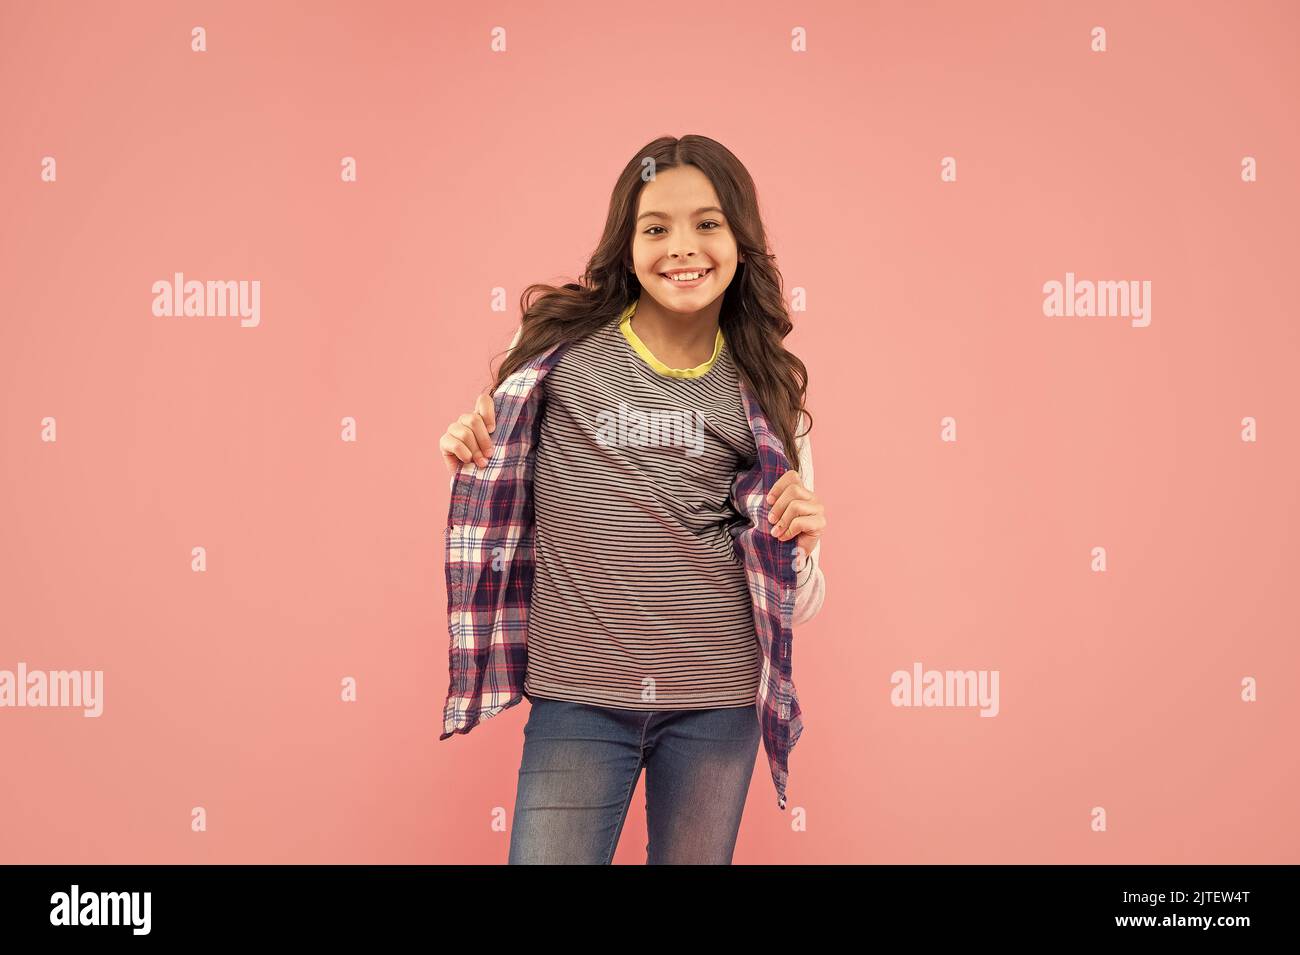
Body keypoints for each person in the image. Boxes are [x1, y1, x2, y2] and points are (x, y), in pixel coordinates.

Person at [438, 134, 828, 864]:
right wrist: (470, 449)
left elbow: (798, 603)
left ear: (740, 240)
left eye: (708, 223)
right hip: (578, 696)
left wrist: (802, 548)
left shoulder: (768, 391)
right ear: (628, 243)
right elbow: (503, 472)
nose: (683, 247)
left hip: (718, 700)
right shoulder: (561, 347)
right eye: (656, 227)